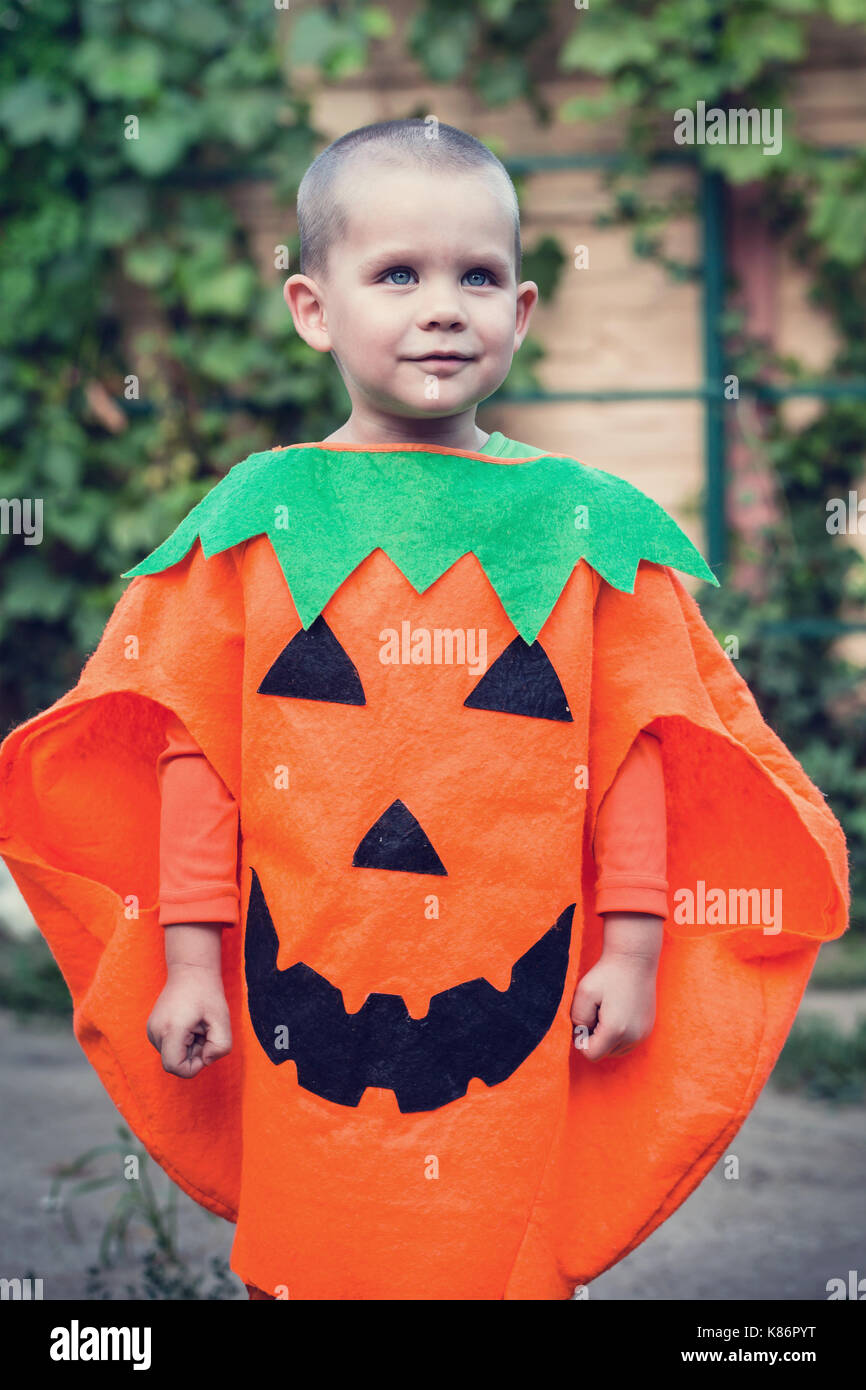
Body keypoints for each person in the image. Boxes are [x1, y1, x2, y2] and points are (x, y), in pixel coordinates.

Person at [0, 120, 849, 1302]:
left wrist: (636, 944)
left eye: (477, 277)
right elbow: (198, 754)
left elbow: (636, 749)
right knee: (311, 1250)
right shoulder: (261, 518)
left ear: (523, 308)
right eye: (396, 274)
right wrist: (190, 959)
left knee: (496, 1242)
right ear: (312, 306)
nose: (441, 306)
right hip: (313, 986)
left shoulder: (579, 529)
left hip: (506, 987)